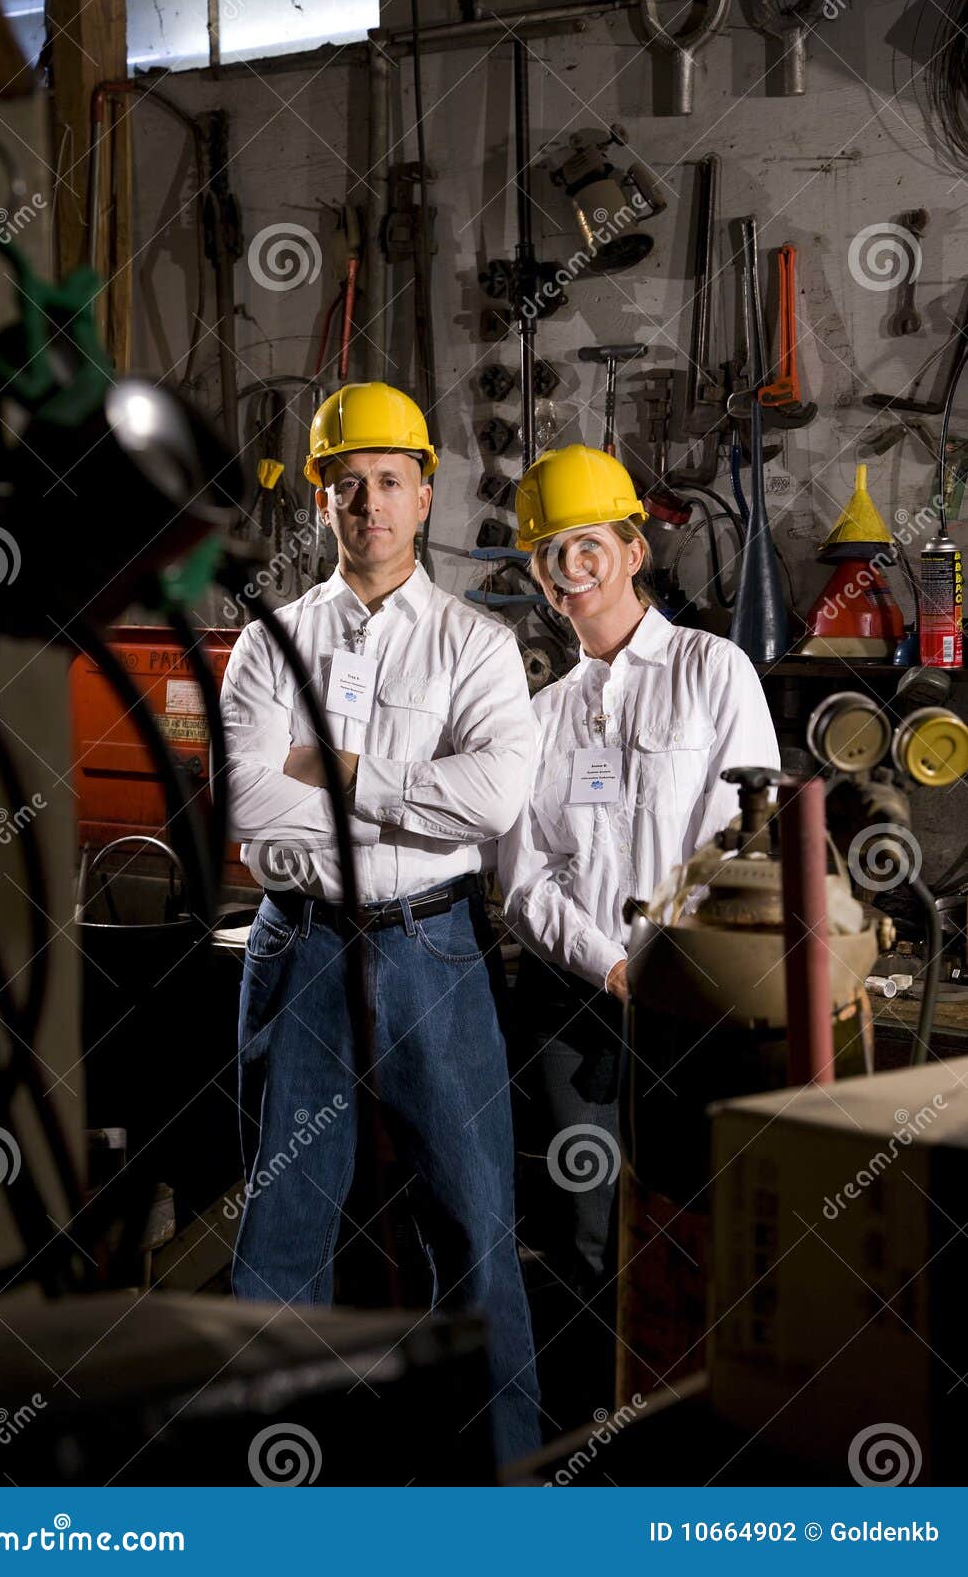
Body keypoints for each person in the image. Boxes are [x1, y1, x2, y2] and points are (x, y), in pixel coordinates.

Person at [219, 380, 541, 1466]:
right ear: (320, 500)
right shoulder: (269, 643)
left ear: (424, 491)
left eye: (388, 482)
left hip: (432, 951)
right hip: (300, 945)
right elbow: (249, 807)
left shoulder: (476, 645)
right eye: (345, 485)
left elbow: (494, 798)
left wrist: (337, 769)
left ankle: (502, 1493)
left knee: (475, 1232)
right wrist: (413, 787)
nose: (368, 504)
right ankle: (272, 1501)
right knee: (278, 1238)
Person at [499, 442, 780, 1427]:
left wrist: (658, 966)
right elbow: (522, 881)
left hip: (691, 1010)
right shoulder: (535, 716)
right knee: (582, 1229)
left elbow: (741, 847)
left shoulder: (713, 672)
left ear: (628, 548)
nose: (565, 569)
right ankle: (590, 1432)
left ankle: (696, 1433)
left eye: (583, 545)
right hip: (575, 1011)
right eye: (544, 554)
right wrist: (607, 962)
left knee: (688, 1225)